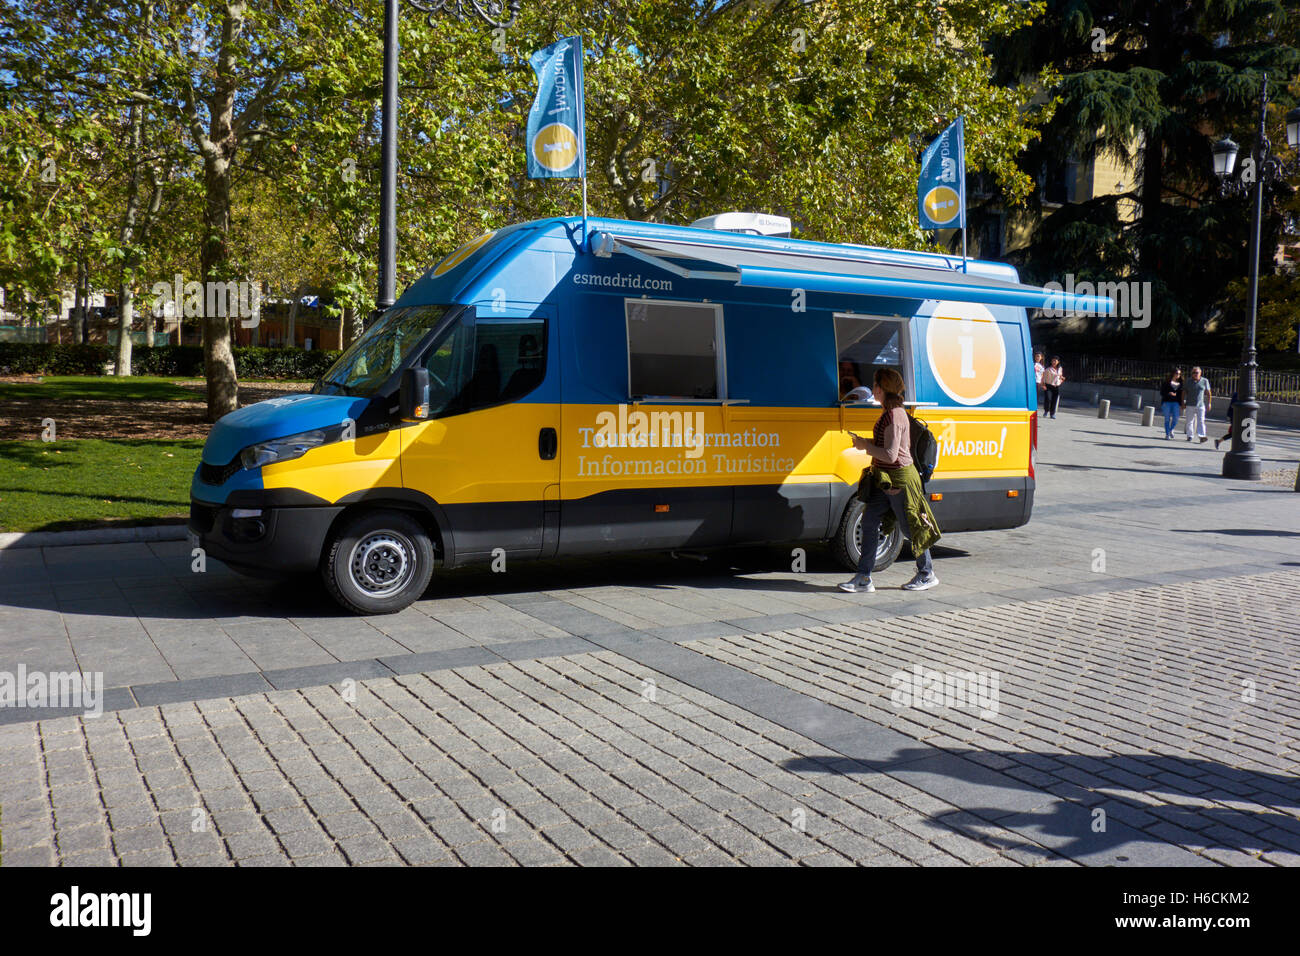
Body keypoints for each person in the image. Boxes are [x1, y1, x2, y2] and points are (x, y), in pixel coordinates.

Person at [838, 368, 942, 594]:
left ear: (881, 388)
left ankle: (927, 573)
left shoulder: (895, 415)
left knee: (910, 526)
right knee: (869, 522)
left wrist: (865, 446)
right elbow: (886, 446)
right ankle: (864, 577)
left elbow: (891, 454)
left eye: (875, 384)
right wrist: (865, 441)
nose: (873, 388)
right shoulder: (891, 412)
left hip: (899, 480)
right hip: (884, 479)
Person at [1184, 366, 1212, 443]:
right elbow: (1184, 392)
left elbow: (1209, 393)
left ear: (1200, 373)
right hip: (1190, 404)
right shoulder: (1188, 381)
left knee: (1201, 421)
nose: (1195, 374)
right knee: (1189, 421)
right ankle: (1190, 436)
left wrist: (1209, 403)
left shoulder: (1205, 381)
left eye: (1196, 373)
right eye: (1193, 373)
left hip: (1200, 405)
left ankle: (1202, 436)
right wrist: (1182, 402)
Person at [1159, 368, 1183, 439]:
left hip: (1176, 403)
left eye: (1179, 374)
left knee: (1176, 418)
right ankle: (1167, 434)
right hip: (1166, 402)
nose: (1178, 375)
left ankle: (1171, 429)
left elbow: (1182, 394)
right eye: (1176, 373)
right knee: (1167, 419)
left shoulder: (1181, 384)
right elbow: (1162, 392)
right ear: (1173, 373)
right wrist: (1168, 393)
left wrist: (1181, 402)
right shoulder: (1166, 382)